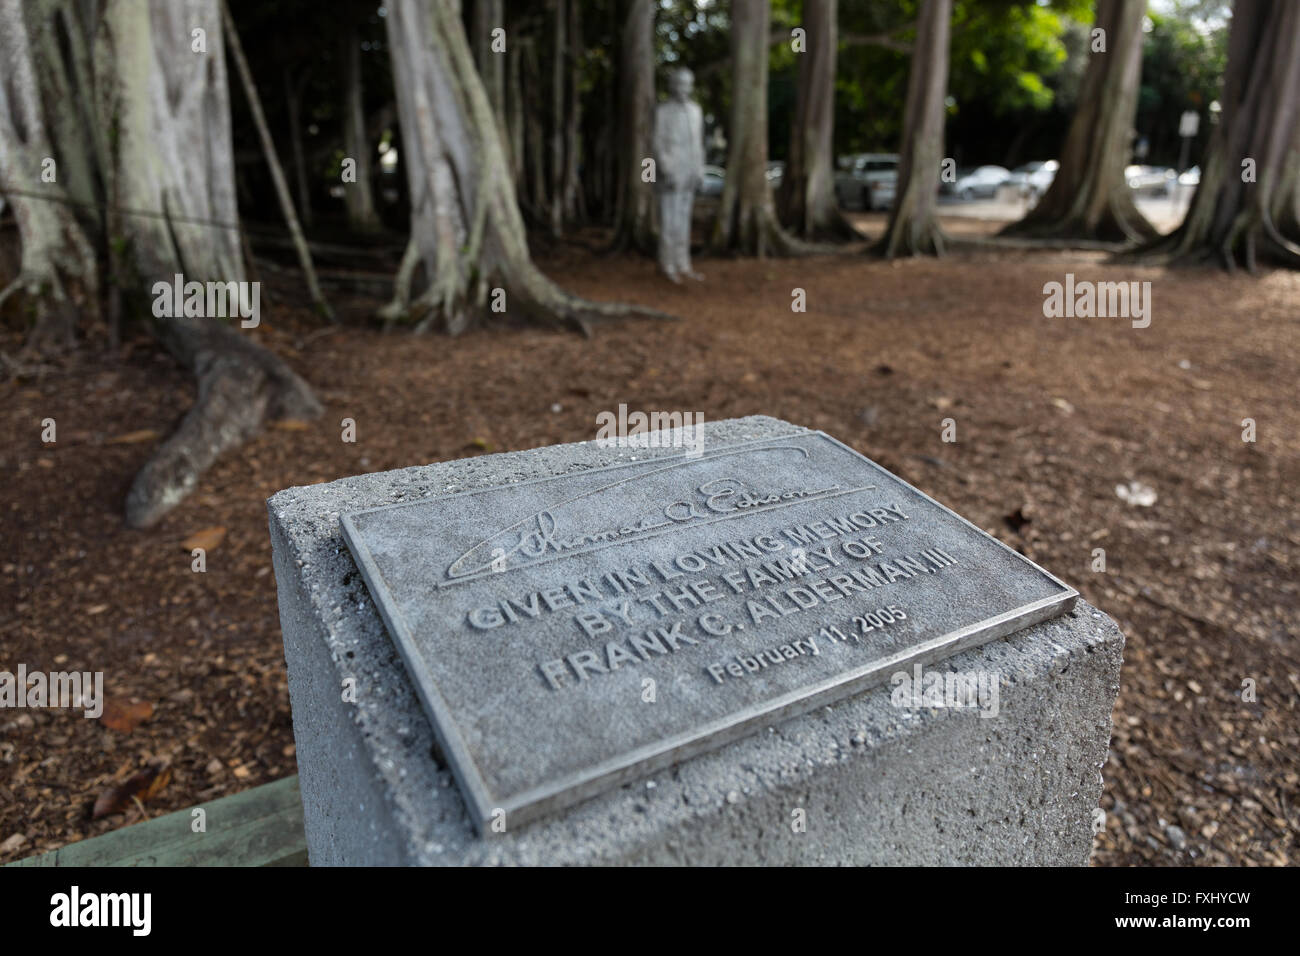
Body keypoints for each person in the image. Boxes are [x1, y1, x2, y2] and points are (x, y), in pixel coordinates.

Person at [652, 68, 705, 282]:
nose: (684, 88)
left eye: (688, 84)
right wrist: (666, 169)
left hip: (689, 172)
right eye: (680, 83)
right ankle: (667, 264)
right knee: (669, 223)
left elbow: (698, 144)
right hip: (671, 174)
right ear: (672, 85)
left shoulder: (696, 111)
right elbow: (657, 143)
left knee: (684, 222)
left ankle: (684, 263)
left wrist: (699, 170)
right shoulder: (663, 112)